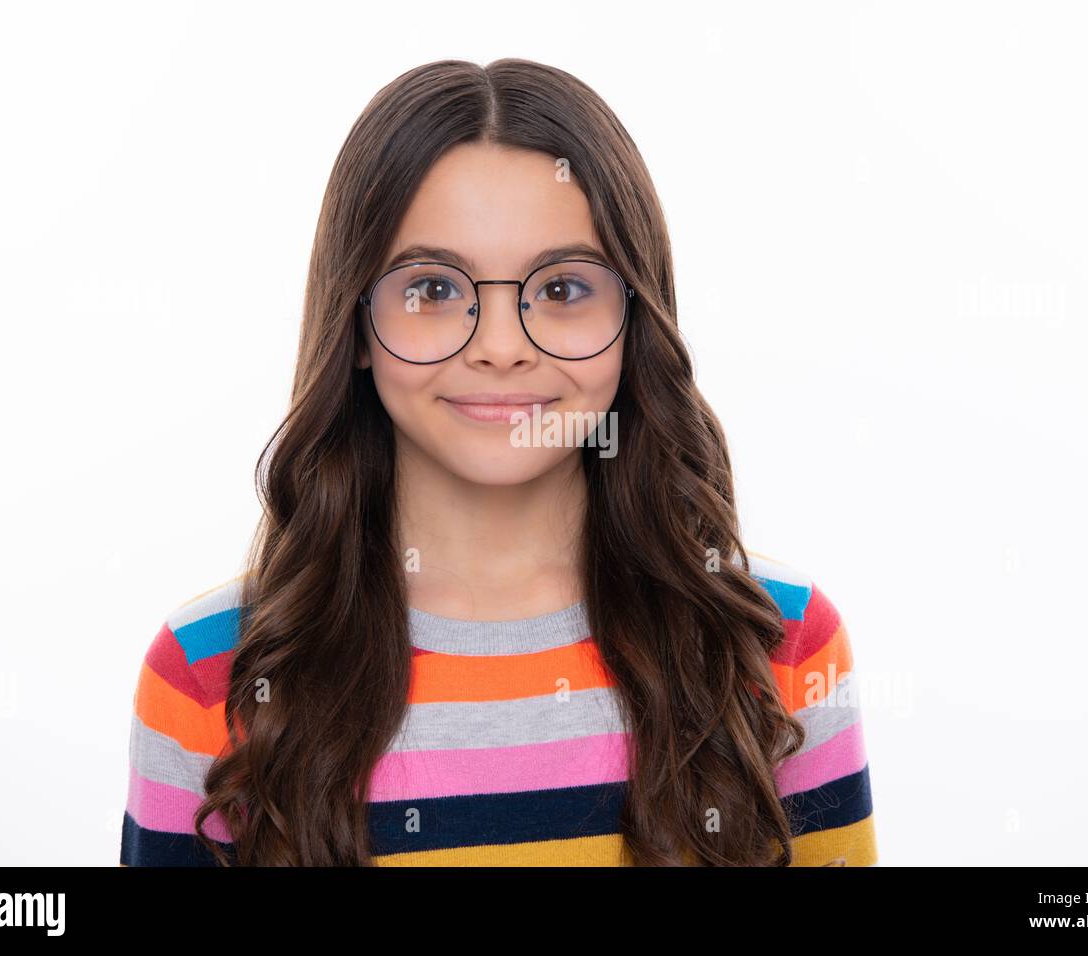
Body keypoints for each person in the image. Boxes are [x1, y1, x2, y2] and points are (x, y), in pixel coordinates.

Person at [119, 57, 878, 867]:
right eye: (434, 290)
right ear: (358, 326)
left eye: (560, 290)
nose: (501, 348)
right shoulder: (211, 673)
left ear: (634, 320)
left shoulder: (778, 646)